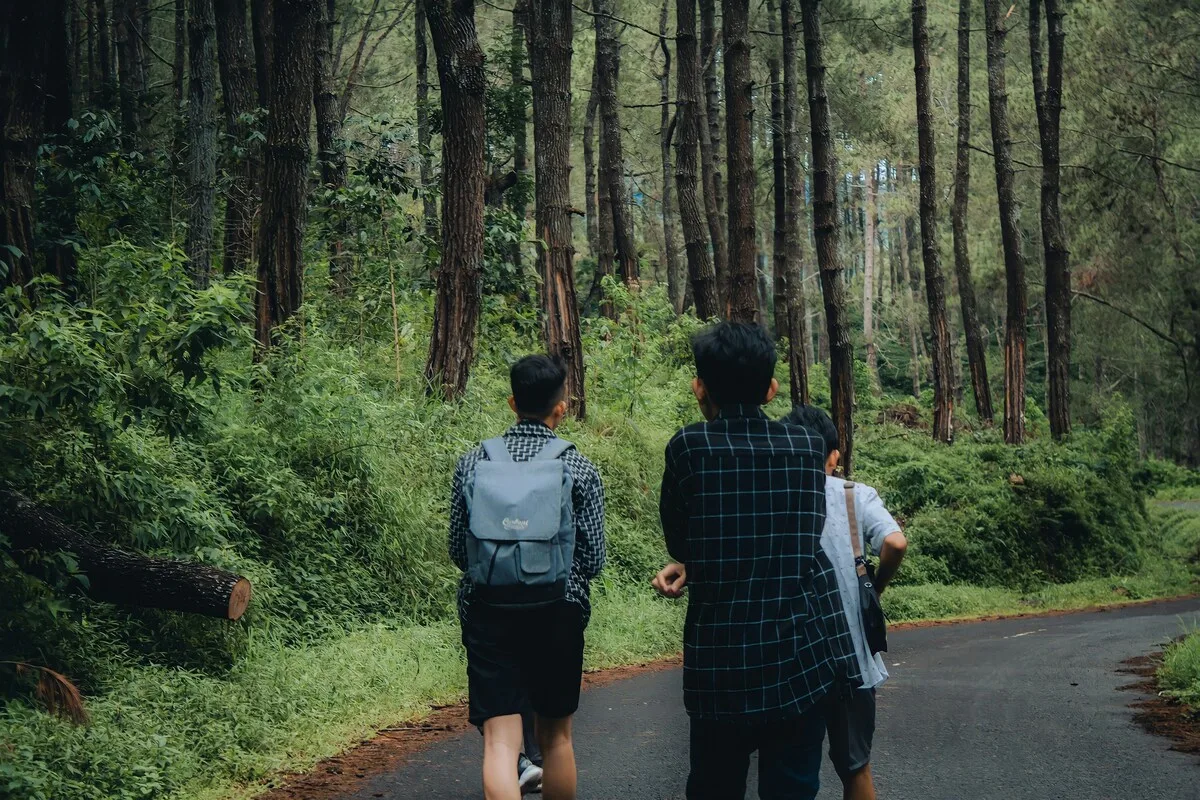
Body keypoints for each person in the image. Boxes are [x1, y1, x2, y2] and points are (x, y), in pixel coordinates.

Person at [651, 322, 860, 800]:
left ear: (699, 387)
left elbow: (682, 543)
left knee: (714, 787)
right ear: (771, 390)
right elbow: (800, 537)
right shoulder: (807, 449)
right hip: (796, 658)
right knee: (792, 788)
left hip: (719, 663)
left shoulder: (689, 447)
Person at [449, 355, 606, 800]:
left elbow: (460, 551)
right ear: (562, 407)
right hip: (558, 610)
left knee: (500, 743)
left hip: (489, 610)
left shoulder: (473, 462)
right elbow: (592, 560)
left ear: (512, 402)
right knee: (556, 739)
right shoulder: (578, 467)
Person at [783, 405, 907, 800]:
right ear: (834, 456)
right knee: (856, 770)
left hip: (791, 659)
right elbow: (894, 542)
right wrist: (876, 585)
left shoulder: (776, 496)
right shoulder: (855, 494)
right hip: (850, 660)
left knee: (790, 773)